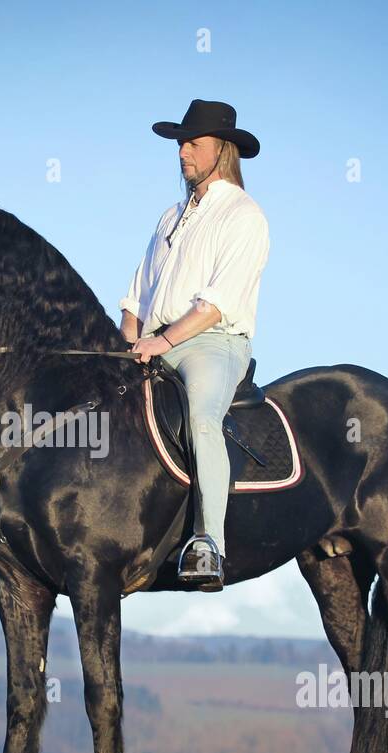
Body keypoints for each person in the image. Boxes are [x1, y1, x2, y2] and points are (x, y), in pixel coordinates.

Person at [120, 99, 271, 591]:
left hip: (213, 343)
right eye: (180, 143)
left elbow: (214, 305)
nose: (182, 151)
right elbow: (136, 296)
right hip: (153, 341)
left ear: (220, 150)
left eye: (192, 143)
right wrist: (128, 345)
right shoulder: (169, 217)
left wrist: (160, 340)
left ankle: (209, 544)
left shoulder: (244, 216)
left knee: (203, 418)